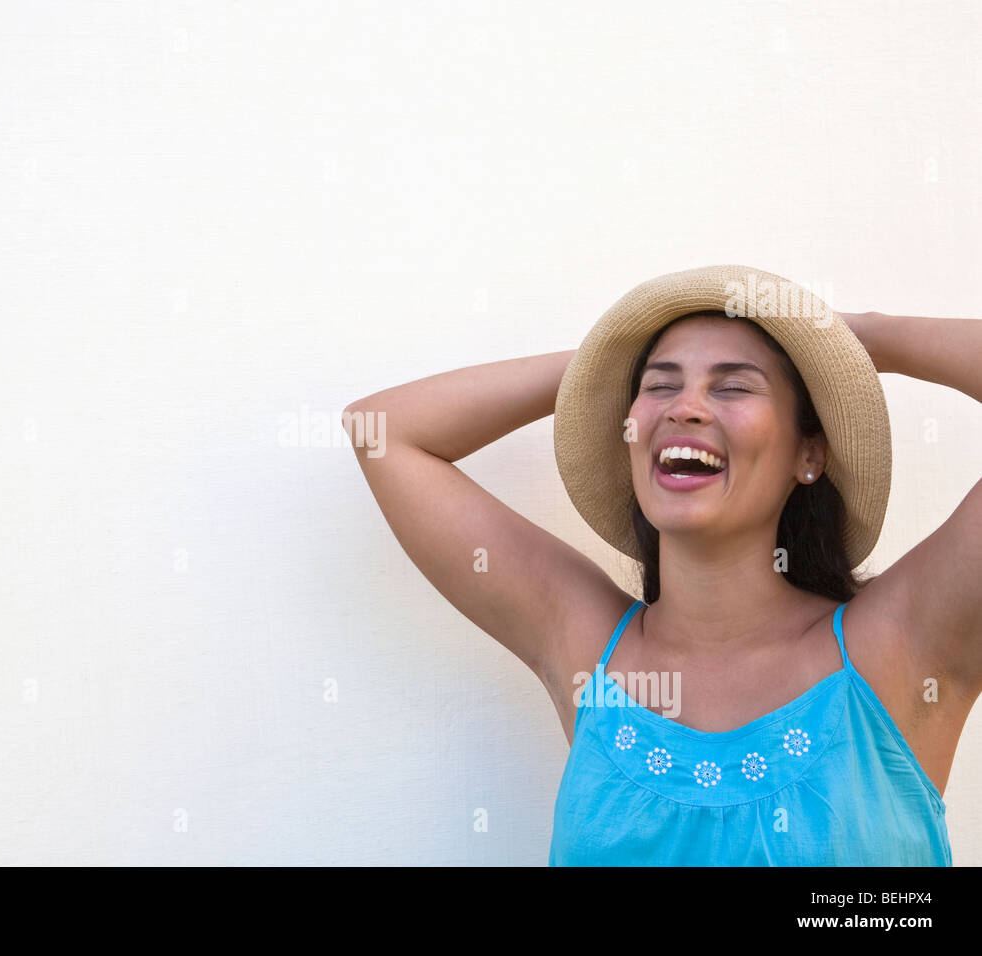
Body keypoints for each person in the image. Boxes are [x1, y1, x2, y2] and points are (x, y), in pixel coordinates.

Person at [342, 264, 981, 865]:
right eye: (659, 386)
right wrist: (607, 362)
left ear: (808, 454)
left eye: (732, 386)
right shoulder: (588, 647)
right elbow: (382, 429)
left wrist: (852, 336)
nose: (685, 407)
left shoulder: (903, 645)